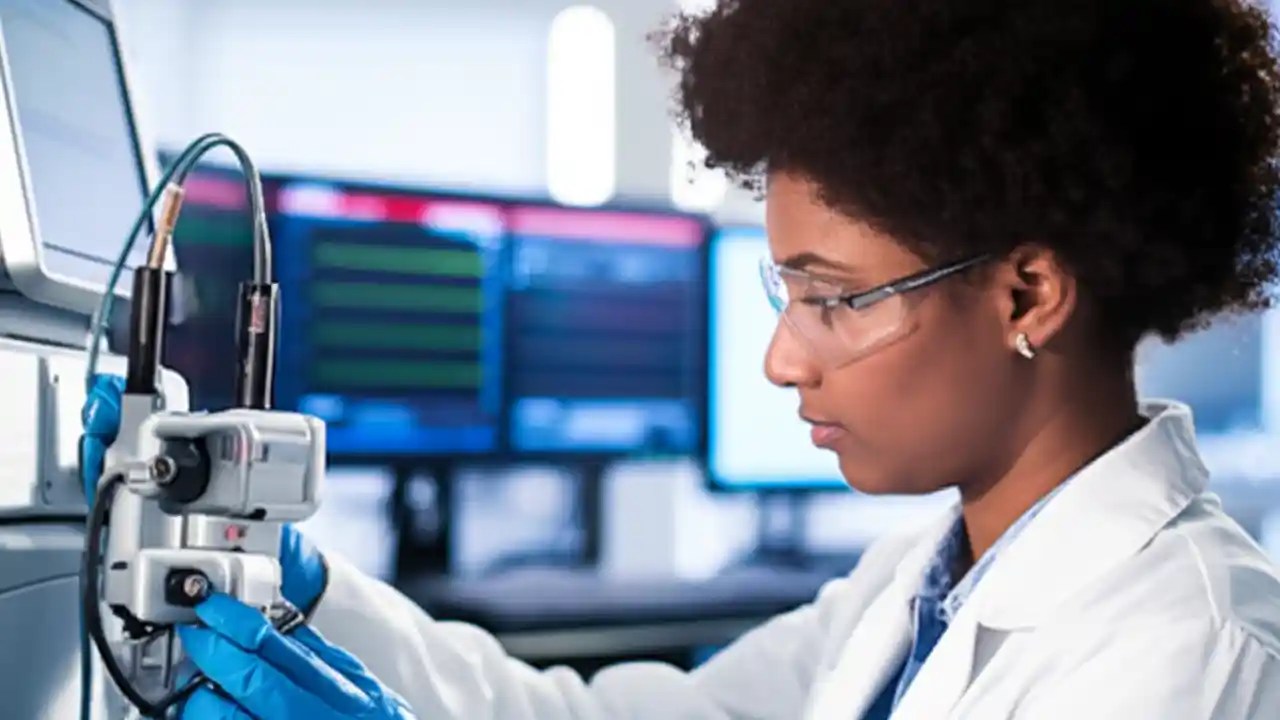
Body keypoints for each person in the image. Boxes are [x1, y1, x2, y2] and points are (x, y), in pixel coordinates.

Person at [81, 0, 1280, 716]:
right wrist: (300, 589)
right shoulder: (922, 580)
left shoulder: (1189, 658)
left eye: (834, 299)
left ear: (1027, 292)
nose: (778, 359)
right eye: (784, 291)